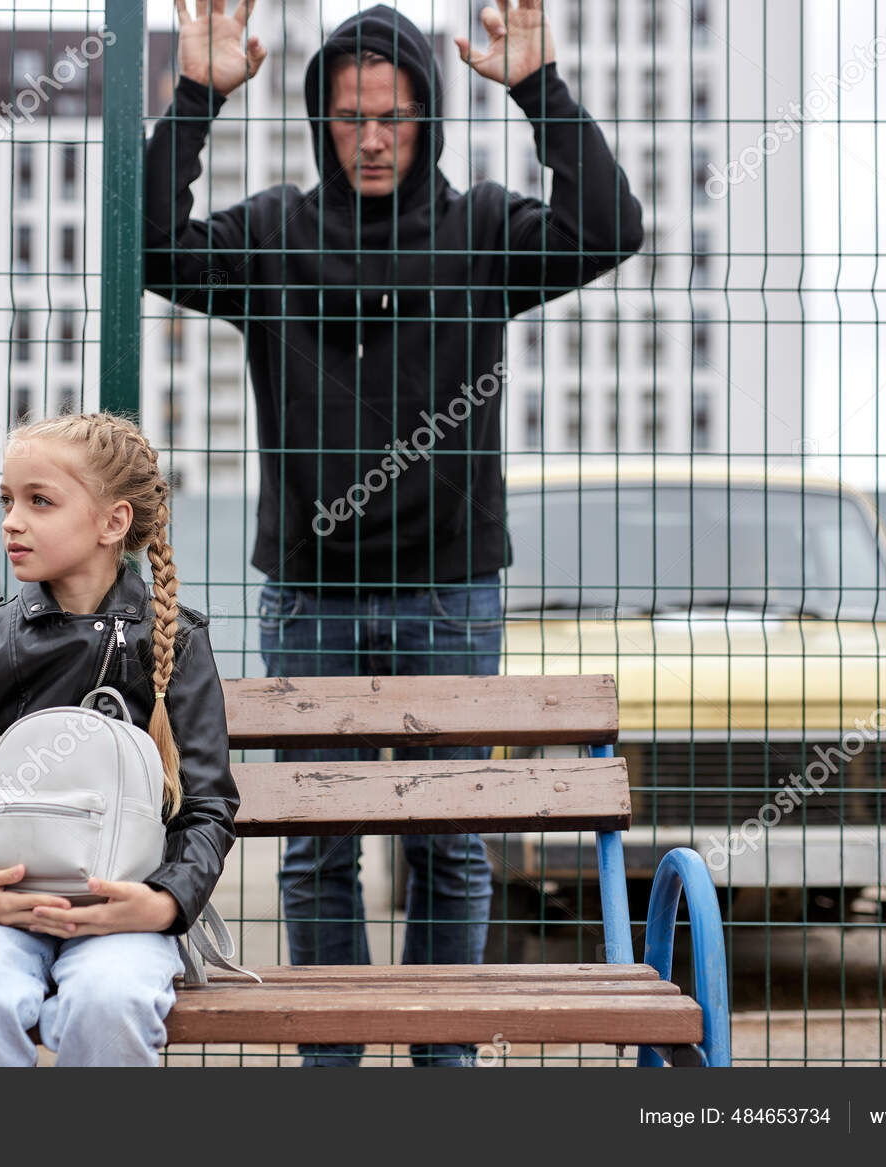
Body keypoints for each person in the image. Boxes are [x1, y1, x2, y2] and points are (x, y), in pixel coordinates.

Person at [144, 0, 643, 1067]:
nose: (372, 139)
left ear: (428, 119)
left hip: (450, 594)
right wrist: (194, 98)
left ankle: (440, 1066)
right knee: (316, 849)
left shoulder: (485, 232)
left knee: (448, 847)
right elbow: (148, 247)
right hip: (309, 596)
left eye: (394, 118)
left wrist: (538, 87)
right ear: (321, 120)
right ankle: (333, 1069)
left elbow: (610, 229)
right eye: (351, 117)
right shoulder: (272, 235)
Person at [0, 412, 239, 1067]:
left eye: (40, 501)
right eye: (7, 500)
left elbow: (207, 808)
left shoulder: (176, 642)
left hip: (123, 913)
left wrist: (161, 902)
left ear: (113, 522)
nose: (11, 521)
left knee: (110, 1002)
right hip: (2, 911)